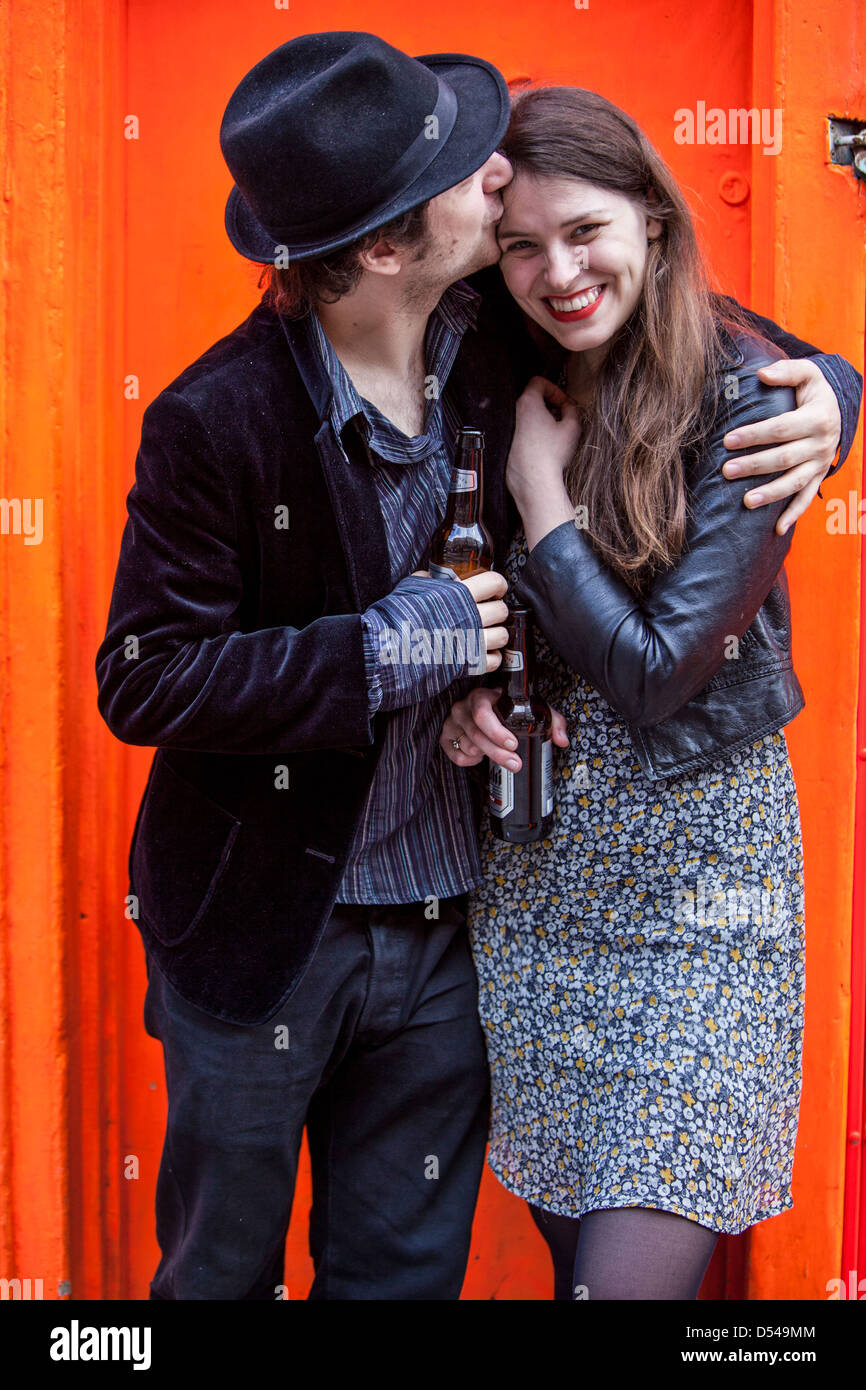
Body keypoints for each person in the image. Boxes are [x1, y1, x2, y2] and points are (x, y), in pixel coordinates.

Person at [94, 33, 860, 1300]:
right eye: (467, 174)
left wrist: (830, 392)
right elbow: (145, 679)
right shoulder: (211, 418)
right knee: (216, 1273)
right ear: (391, 243)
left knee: (399, 1278)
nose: (495, 175)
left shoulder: (492, 341)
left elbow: (717, 339)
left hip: (455, 927)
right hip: (265, 932)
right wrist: (397, 649)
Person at [440, 83, 863, 1300]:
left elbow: (653, 675)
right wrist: (459, 694)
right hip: (541, 866)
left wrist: (542, 497)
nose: (555, 271)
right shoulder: (496, 360)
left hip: (699, 887)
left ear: (654, 225)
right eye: (520, 246)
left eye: (585, 234)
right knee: (579, 1250)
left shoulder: (743, 396)